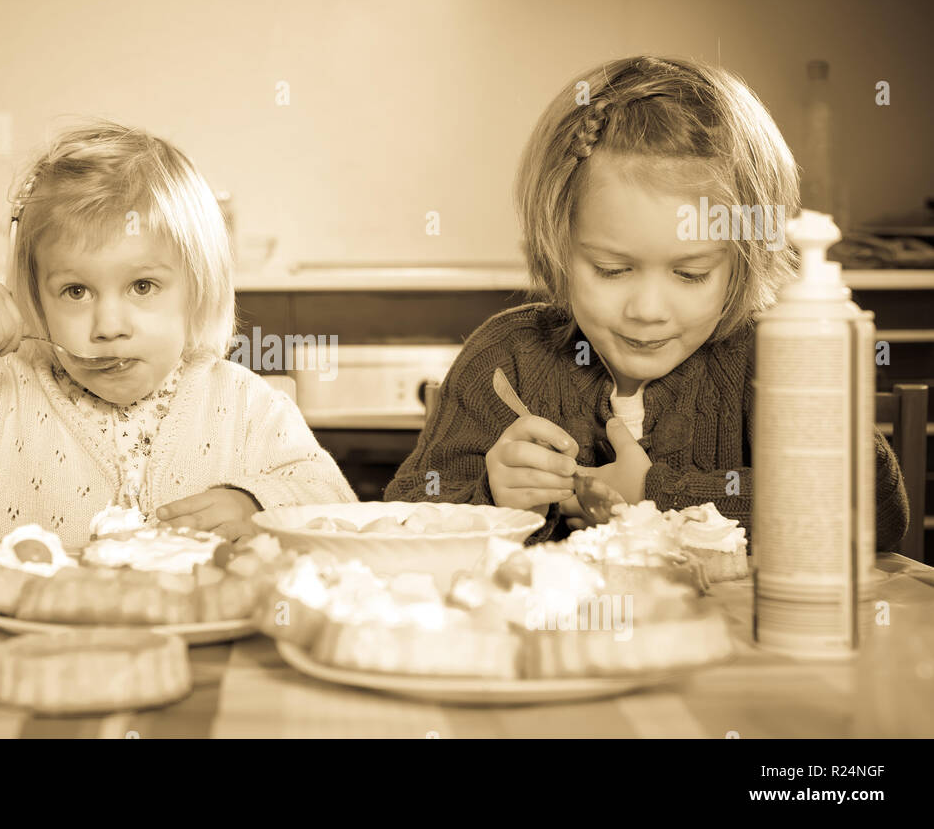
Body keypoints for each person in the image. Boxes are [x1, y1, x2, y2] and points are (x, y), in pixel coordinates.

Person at [386, 56, 908, 549]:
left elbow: (872, 509)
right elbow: (403, 523)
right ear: (558, 244)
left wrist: (657, 494)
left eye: (690, 273)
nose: (648, 309)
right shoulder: (507, 358)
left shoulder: (769, 359)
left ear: (742, 261)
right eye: (612, 270)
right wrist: (492, 500)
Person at [0, 120, 355, 543]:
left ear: (198, 288)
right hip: (26, 658)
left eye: (143, 287)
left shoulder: (247, 407)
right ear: (37, 299)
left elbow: (336, 505)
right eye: (76, 292)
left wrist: (254, 502)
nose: (108, 327)